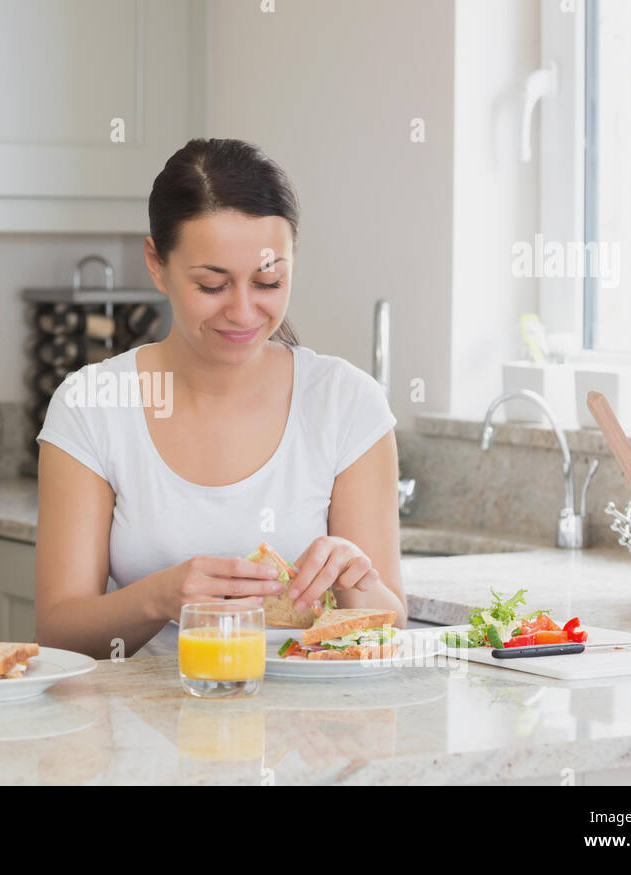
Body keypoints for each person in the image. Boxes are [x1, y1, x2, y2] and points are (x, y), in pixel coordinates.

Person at [34, 138, 407, 659]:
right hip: (138, 732)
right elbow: (58, 631)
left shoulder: (348, 404)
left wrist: (353, 575)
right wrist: (159, 598)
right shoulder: (93, 404)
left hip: (307, 732)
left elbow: (388, 625)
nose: (243, 311)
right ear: (156, 264)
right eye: (212, 285)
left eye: (267, 281)